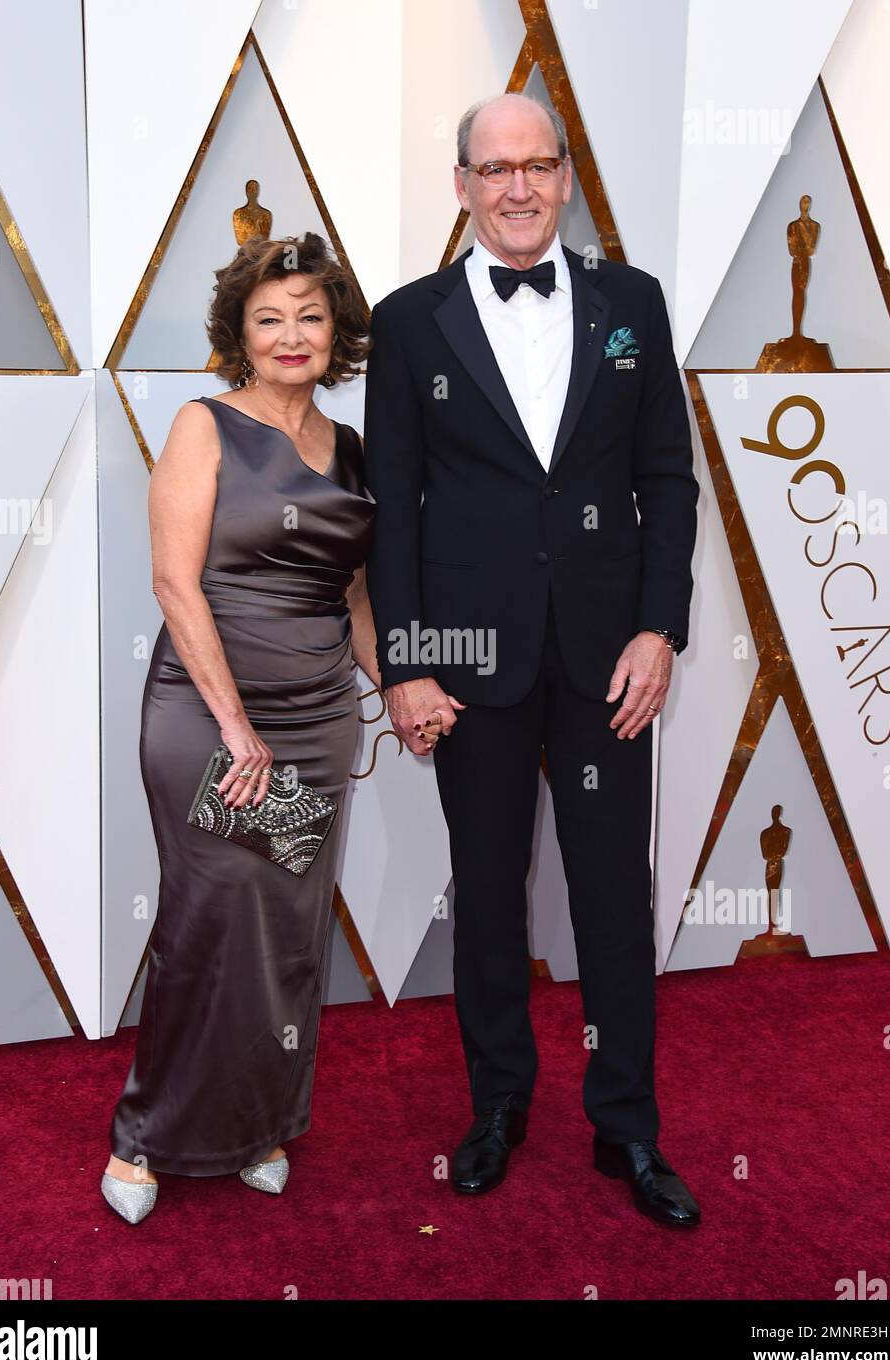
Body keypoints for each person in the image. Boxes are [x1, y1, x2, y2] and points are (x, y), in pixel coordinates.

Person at [363, 94, 701, 1227]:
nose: (517, 187)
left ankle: (629, 1129)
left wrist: (660, 628)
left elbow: (666, 477)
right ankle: (497, 1106)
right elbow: (392, 513)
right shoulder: (408, 323)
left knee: (615, 897)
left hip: (610, 656)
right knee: (492, 898)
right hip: (466, 661)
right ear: (459, 184)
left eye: (537, 166)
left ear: (565, 178)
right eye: (493, 168)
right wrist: (405, 663)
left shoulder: (632, 306)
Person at [102, 233, 440, 1224]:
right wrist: (237, 728)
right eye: (269, 317)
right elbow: (176, 582)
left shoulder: (350, 447)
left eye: (309, 315)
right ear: (239, 335)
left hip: (317, 720)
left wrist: (400, 689)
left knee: (286, 935)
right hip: (208, 722)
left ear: (334, 330)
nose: (291, 334)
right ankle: (144, 1136)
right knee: (206, 927)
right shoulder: (203, 428)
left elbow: (359, 601)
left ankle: (257, 1123)